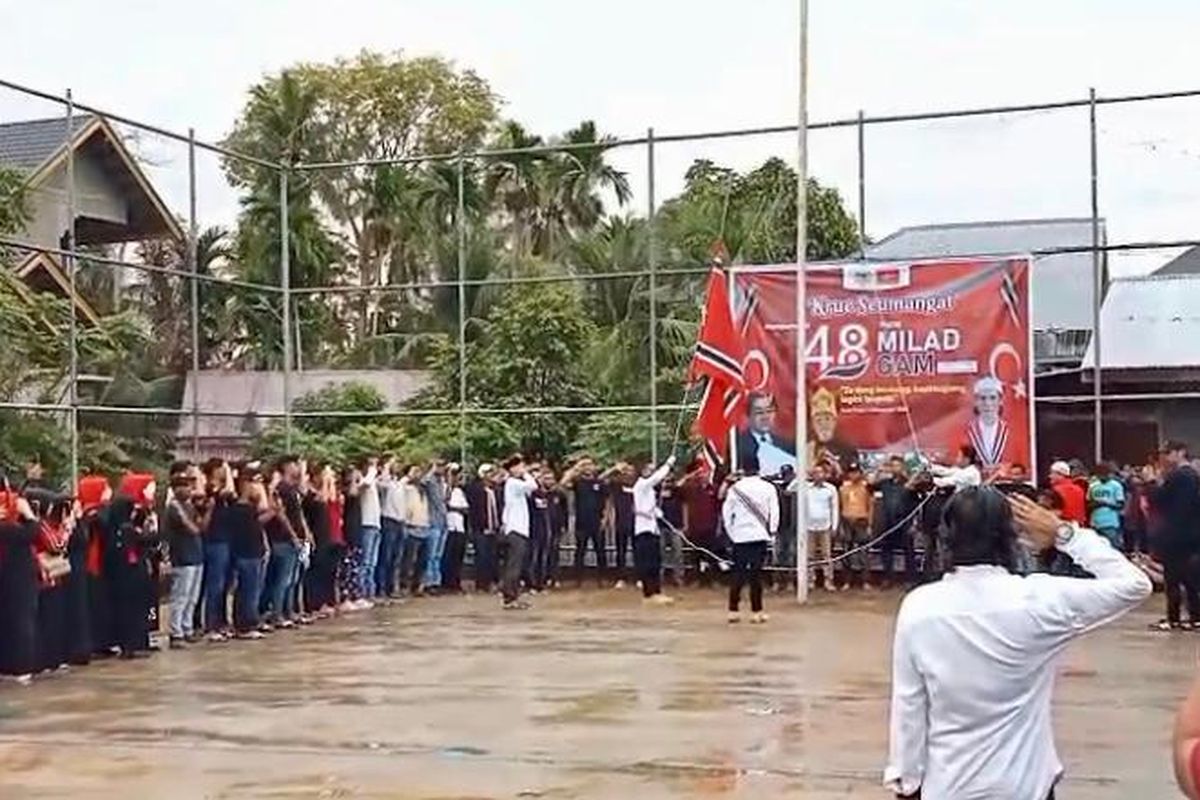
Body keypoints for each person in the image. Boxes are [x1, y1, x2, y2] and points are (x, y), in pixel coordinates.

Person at [884, 489, 1151, 799]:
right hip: (1026, 785)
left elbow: (909, 706)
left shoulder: (919, 607)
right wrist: (1065, 534)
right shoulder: (1037, 600)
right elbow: (1135, 585)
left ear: (946, 537)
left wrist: (906, 781)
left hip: (950, 784)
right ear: (1012, 537)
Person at [105, 473, 159, 659]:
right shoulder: (124, 529)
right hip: (128, 573)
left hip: (136, 571)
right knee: (130, 610)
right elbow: (144, 540)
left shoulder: (127, 527)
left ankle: (141, 640)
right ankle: (130, 644)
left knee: (143, 608)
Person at [722, 454, 779, 624]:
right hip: (759, 535)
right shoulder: (768, 487)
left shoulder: (735, 488)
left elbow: (726, 513)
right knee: (756, 574)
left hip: (740, 536)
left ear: (743, 469)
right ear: (758, 468)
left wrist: (732, 532)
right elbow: (774, 512)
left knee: (737, 573)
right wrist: (772, 532)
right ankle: (757, 611)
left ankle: (733, 610)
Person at [1151, 441, 1200, 632]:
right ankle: (1195, 617)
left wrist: (1153, 482)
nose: (1164, 457)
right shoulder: (1193, 476)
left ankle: (1174, 618)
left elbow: (1160, 501)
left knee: (1173, 577)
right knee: (1189, 577)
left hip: (1176, 535)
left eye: (1168, 452)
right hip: (1190, 534)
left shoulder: (1178, 476)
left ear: (1181, 453)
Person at [0, 486, 40, 683]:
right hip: (18, 581)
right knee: (21, 623)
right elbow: (33, 533)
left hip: (11, 580)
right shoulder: (9, 528)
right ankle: (22, 666)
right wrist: (29, 514)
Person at [165, 475, 205, 649]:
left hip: (196, 554)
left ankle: (186, 628)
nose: (189, 490)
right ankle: (176, 632)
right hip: (182, 556)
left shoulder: (190, 506)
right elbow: (192, 528)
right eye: (185, 486)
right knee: (180, 596)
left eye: (190, 486)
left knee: (192, 597)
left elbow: (201, 527)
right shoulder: (174, 507)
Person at [632, 454, 677, 604]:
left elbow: (647, 506)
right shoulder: (641, 485)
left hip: (652, 529)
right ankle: (649, 593)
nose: (651, 471)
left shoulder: (648, 490)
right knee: (648, 563)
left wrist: (656, 512)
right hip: (644, 531)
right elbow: (657, 477)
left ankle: (655, 591)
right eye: (648, 469)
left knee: (655, 562)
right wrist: (668, 464)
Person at [230, 468, 269, 640]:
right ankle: (245, 624)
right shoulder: (240, 508)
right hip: (246, 554)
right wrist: (261, 493)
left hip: (256, 552)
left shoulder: (249, 508)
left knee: (254, 588)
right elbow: (264, 507)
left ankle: (249, 621)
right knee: (248, 590)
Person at [200, 460, 236, 641]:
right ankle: (211, 624)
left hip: (227, 539)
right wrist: (228, 473)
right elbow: (228, 490)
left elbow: (232, 494)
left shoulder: (225, 494)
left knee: (226, 584)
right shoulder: (210, 488)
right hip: (215, 541)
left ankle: (222, 621)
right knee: (216, 584)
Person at [793, 463, 838, 591]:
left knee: (826, 555)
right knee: (809, 555)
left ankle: (828, 580)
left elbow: (834, 508)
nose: (818, 475)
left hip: (825, 526)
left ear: (825, 474)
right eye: (815, 472)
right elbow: (791, 488)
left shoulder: (831, 489)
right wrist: (802, 475)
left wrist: (834, 526)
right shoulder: (805, 487)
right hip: (808, 527)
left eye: (821, 472)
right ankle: (810, 580)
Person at [563, 457, 607, 588]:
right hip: (581, 522)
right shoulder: (578, 482)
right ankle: (578, 579)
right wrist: (576, 468)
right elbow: (564, 483)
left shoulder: (599, 482)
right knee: (580, 551)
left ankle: (602, 578)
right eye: (585, 465)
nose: (588, 467)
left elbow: (607, 501)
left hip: (597, 521)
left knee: (600, 550)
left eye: (590, 464)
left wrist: (605, 519)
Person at [875, 456, 918, 589]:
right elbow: (871, 483)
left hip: (905, 522)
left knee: (908, 551)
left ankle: (910, 580)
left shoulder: (910, 483)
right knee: (886, 550)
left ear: (903, 467)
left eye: (898, 466)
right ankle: (888, 578)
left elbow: (916, 505)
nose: (895, 468)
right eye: (893, 466)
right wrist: (880, 469)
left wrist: (914, 523)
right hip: (888, 521)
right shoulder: (886, 483)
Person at [500, 455, 537, 610]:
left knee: (517, 564)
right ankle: (509, 597)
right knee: (514, 565)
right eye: (520, 466)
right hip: (516, 529)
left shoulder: (514, 484)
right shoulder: (513, 483)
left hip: (519, 529)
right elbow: (533, 486)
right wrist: (526, 473)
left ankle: (514, 595)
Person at [679, 461, 724, 587]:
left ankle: (713, 579)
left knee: (711, 555)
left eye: (704, 472)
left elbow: (719, 507)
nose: (702, 475)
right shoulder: (690, 487)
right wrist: (689, 476)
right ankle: (697, 579)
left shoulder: (713, 489)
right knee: (695, 555)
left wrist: (719, 526)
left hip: (710, 526)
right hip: (695, 526)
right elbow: (678, 488)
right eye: (700, 473)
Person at [736, 392, 797, 477]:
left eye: (769, 411)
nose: (765, 417)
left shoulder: (788, 445)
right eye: (759, 412)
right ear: (748, 415)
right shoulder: (738, 446)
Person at [466, 464, 501, 593]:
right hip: (480, 528)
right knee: (482, 556)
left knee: (493, 557)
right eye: (489, 473)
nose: (492, 476)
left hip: (494, 528)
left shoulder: (495, 490)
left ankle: (492, 581)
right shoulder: (476, 490)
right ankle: (482, 584)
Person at [398, 463, 432, 595]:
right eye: (415, 471)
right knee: (408, 559)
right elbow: (401, 485)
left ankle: (417, 585)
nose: (418, 474)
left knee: (422, 560)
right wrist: (408, 476)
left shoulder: (423, 489)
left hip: (424, 525)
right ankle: (404, 585)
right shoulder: (405, 487)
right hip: (411, 526)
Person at [966, 374, 1010, 473]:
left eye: (993, 398)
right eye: (982, 398)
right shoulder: (966, 431)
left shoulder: (1011, 431)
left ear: (1000, 401)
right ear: (976, 402)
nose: (988, 403)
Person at [839, 464, 874, 590]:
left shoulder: (866, 488)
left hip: (861, 521)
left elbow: (870, 507)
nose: (854, 475)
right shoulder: (843, 488)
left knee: (863, 553)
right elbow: (840, 506)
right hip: (847, 520)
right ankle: (846, 581)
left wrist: (870, 524)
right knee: (846, 553)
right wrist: (840, 525)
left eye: (856, 472)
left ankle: (865, 581)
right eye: (851, 472)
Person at [377, 459, 405, 600]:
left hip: (400, 521)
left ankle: (392, 587)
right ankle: (381, 588)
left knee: (396, 558)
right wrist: (386, 467)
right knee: (386, 556)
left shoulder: (400, 483)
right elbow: (383, 484)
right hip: (389, 520)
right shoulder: (385, 482)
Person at [422, 460, 450, 591]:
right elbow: (424, 481)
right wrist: (432, 470)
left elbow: (446, 499)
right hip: (433, 520)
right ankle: (428, 582)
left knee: (438, 554)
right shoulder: (430, 480)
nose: (442, 468)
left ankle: (436, 581)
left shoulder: (442, 482)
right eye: (439, 466)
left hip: (443, 520)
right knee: (431, 554)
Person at [358, 458, 382, 599]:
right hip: (366, 523)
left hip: (375, 523)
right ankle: (362, 592)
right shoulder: (364, 480)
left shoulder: (372, 481)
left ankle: (370, 592)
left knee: (372, 562)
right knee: (365, 561)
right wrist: (372, 469)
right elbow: (365, 484)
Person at [442, 465, 469, 593]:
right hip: (449, 526)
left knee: (458, 556)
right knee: (448, 556)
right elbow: (445, 505)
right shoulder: (445, 489)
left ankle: (455, 582)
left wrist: (455, 508)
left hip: (460, 527)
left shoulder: (459, 491)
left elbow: (466, 509)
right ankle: (446, 582)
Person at [1088, 462, 1126, 549]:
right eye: (1100, 474)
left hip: (1110, 523)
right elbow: (1088, 503)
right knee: (1097, 549)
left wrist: (1105, 503)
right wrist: (1094, 504)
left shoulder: (1116, 486)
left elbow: (1120, 505)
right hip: (1095, 523)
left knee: (1114, 549)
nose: (1102, 476)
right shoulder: (1093, 486)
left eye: (1104, 474)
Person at [1048, 460, 1087, 525]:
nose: (1050, 476)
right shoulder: (1079, 489)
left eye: (1052, 473)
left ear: (1060, 474)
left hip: (1061, 526)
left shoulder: (1056, 490)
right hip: (1078, 526)